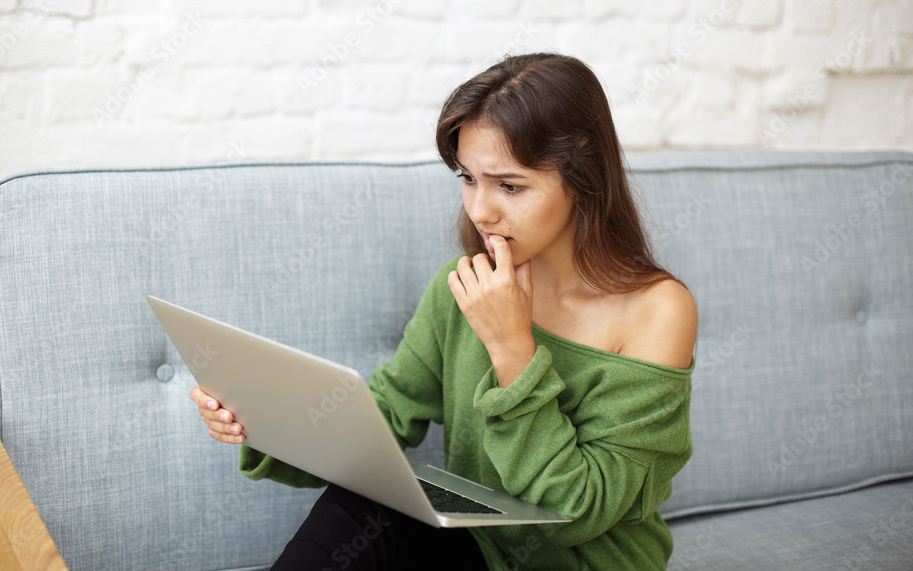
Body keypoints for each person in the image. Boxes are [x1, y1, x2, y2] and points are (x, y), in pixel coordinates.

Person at [190, 52, 697, 570]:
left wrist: (511, 348)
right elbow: (383, 422)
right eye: (468, 178)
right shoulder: (461, 284)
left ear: (582, 178)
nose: (480, 210)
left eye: (510, 185)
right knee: (369, 504)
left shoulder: (657, 312)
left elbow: (580, 509)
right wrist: (264, 421)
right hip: (480, 553)